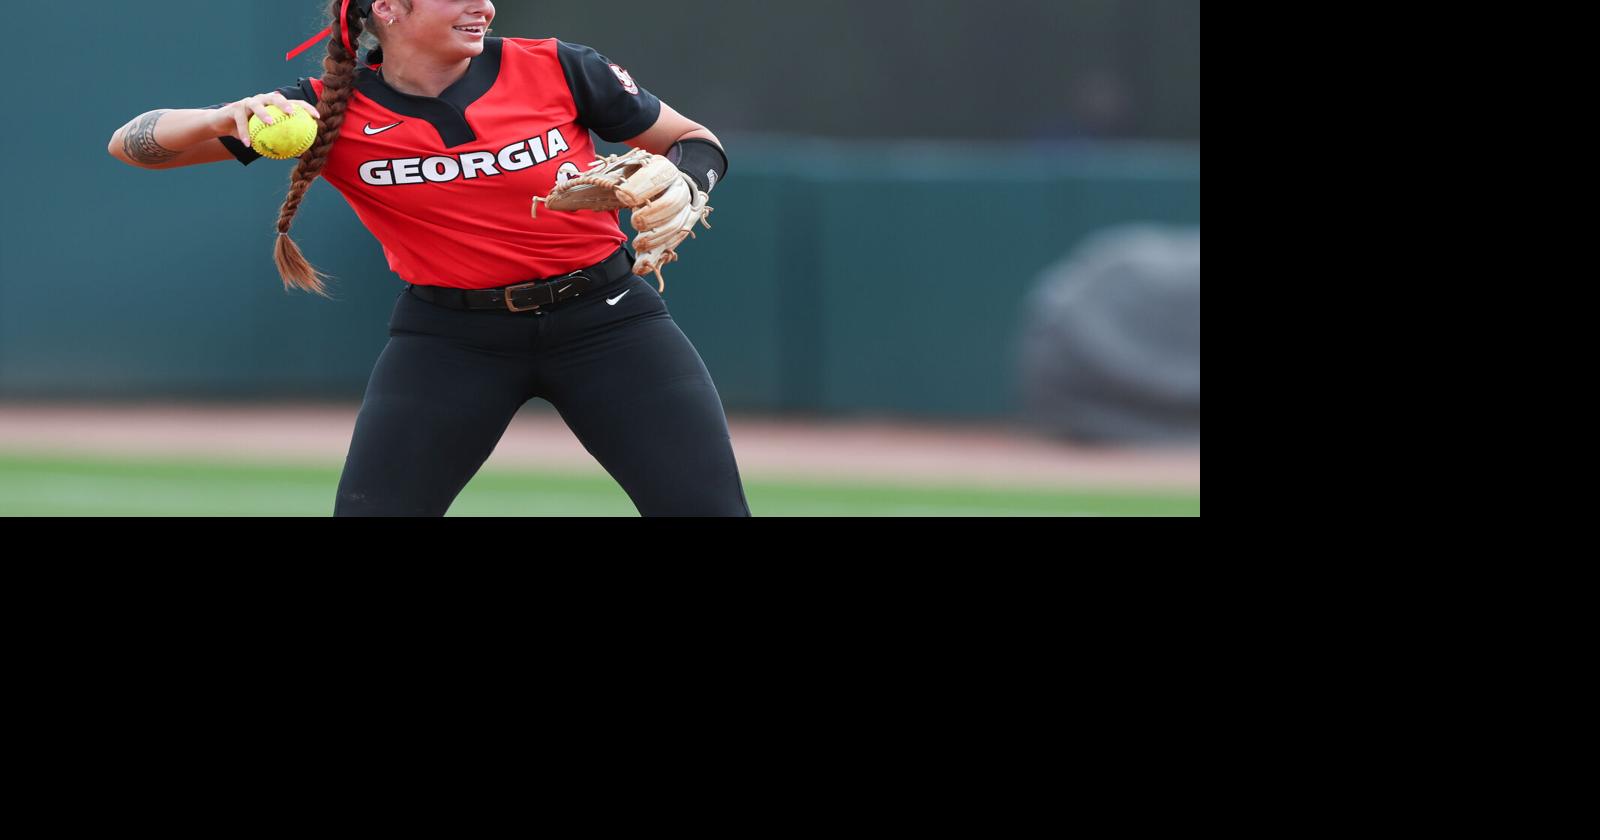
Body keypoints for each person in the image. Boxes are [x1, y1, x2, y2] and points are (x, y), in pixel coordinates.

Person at [105, 0, 750, 517]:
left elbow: (695, 140)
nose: (485, 7)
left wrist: (690, 182)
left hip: (607, 322)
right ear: (387, 8)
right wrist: (220, 117)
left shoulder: (556, 66)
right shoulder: (324, 107)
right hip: (452, 340)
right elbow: (131, 146)